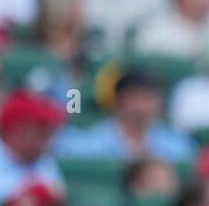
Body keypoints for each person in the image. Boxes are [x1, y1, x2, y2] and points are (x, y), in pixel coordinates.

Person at [55, 69, 194, 163]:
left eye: (149, 98)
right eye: (134, 97)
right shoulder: (88, 143)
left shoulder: (177, 144)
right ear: (117, 101)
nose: (141, 106)